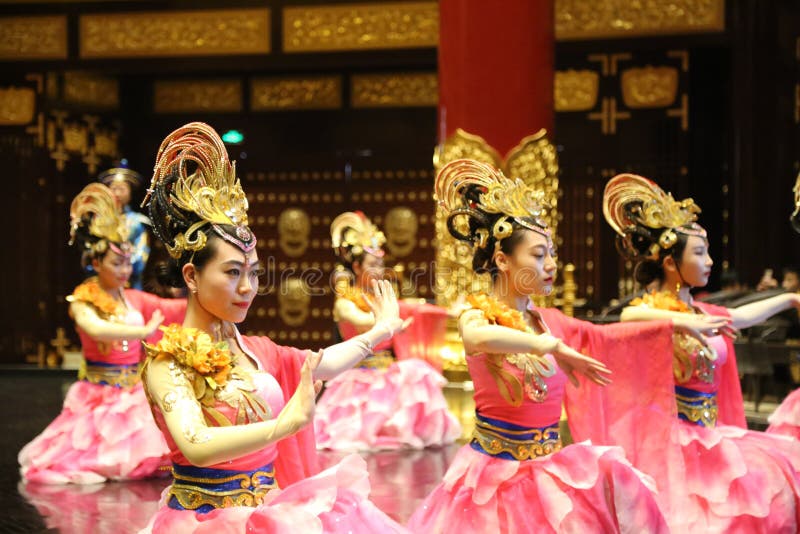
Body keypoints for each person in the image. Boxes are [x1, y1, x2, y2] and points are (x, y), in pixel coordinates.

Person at [408, 159, 717, 532]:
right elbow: (476, 339)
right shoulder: (478, 315)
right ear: (503, 260)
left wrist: (674, 322)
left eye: (551, 254)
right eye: (539, 256)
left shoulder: (546, 319)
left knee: (623, 484)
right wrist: (550, 346)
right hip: (494, 478)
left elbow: (611, 336)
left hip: (547, 470)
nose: (551, 265)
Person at [139, 122, 406, 532]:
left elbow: (319, 364)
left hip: (270, 509)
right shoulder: (167, 364)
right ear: (191, 276)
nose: (247, 287)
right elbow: (194, 444)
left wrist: (378, 332)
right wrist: (284, 426)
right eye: (231, 272)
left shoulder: (254, 350)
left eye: (253, 272)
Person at [599, 173, 800, 532]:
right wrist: (684, 325)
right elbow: (631, 314)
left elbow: (740, 316)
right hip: (669, 442)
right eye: (699, 253)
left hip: (710, 434)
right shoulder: (650, 314)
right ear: (670, 263)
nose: (709, 261)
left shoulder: (705, 314)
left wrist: (789, 299)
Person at [18, 183, 186, 484]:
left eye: (127, 263)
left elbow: (172, 309)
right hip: (99, 392)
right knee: (90, 456)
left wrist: (204, 296)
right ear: (96, 263)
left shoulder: (132, 298)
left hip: (132, 391)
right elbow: (96, 328)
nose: (124, 270)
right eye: (116, 263)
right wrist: (141, 330)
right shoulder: (84, 298)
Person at [313, 211, 461, 451]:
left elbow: (415, 309)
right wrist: (388, 323)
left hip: (387, 371)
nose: (380, 270)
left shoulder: (384, 299)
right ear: (358, 267)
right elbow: (362, 322)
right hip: (359, 373)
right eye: (373, 264)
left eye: (381, 264)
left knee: (416, 372)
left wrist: (447, 313)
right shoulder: (345, 303)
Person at [99, 165, 151, 289]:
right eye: (114, 189)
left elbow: (140, 259)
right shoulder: (99, 221)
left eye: (122, 189)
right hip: (102, 280)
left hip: (129, 282)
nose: (117, 193)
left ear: (130, 193)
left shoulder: (138, 222)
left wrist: (120, 266)